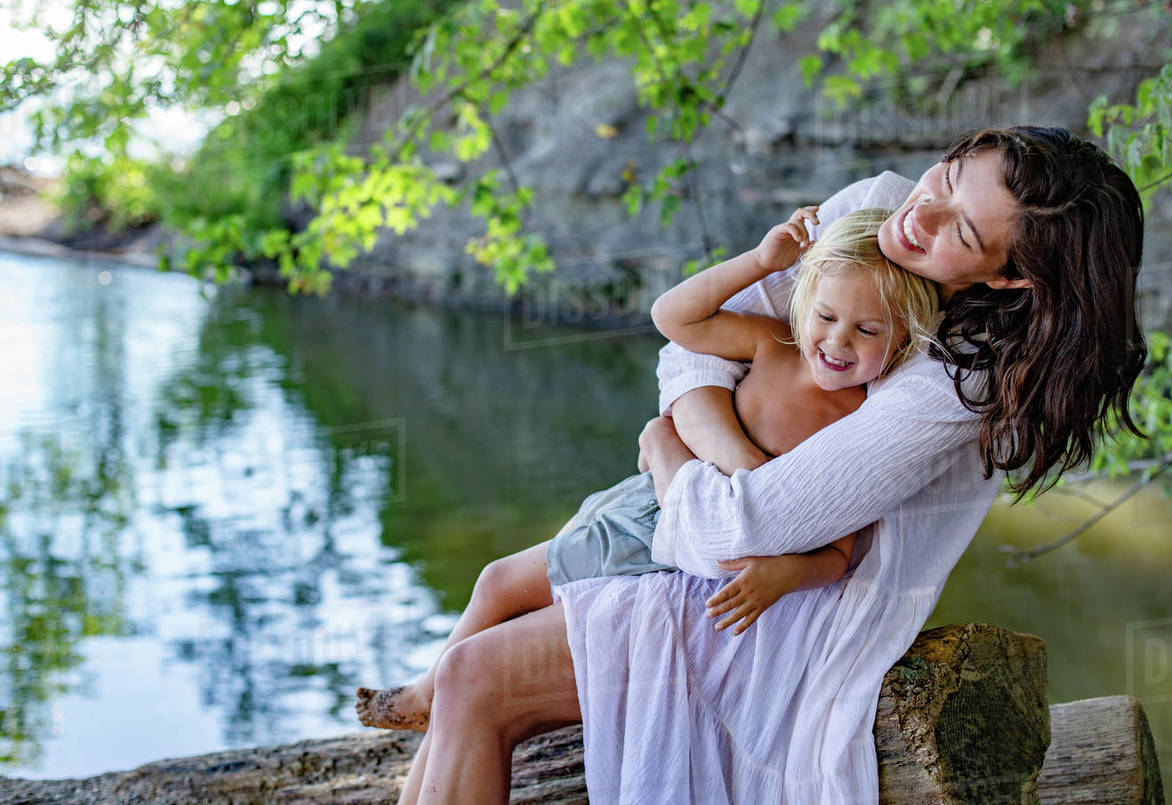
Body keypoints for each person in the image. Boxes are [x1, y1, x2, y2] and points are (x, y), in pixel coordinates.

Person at [393, 127, 1147, 804]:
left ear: (1008, 277)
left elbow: (740, 531)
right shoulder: (876, 212)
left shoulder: (959, 377)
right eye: (947, 177)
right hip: (689, 526)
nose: (924, 215)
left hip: (778, 601)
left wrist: (672, 453)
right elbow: (692, 345)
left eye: (964, 230)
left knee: (474, 677)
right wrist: (715, 452)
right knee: (477, 649)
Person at [355, 206, 939, 730]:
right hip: (647, 506)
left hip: (674, 551)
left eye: (867, 330)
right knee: (499, 584)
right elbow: (673, 316)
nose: (837, 341)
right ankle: (430, 691)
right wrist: (760, 261)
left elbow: (838, 553)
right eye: (826, 315)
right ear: (805, 299)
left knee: (509, 592)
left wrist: (784, 576)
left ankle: (440, 694)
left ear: (902, 338)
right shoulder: (774, 343)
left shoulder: (865, 426)